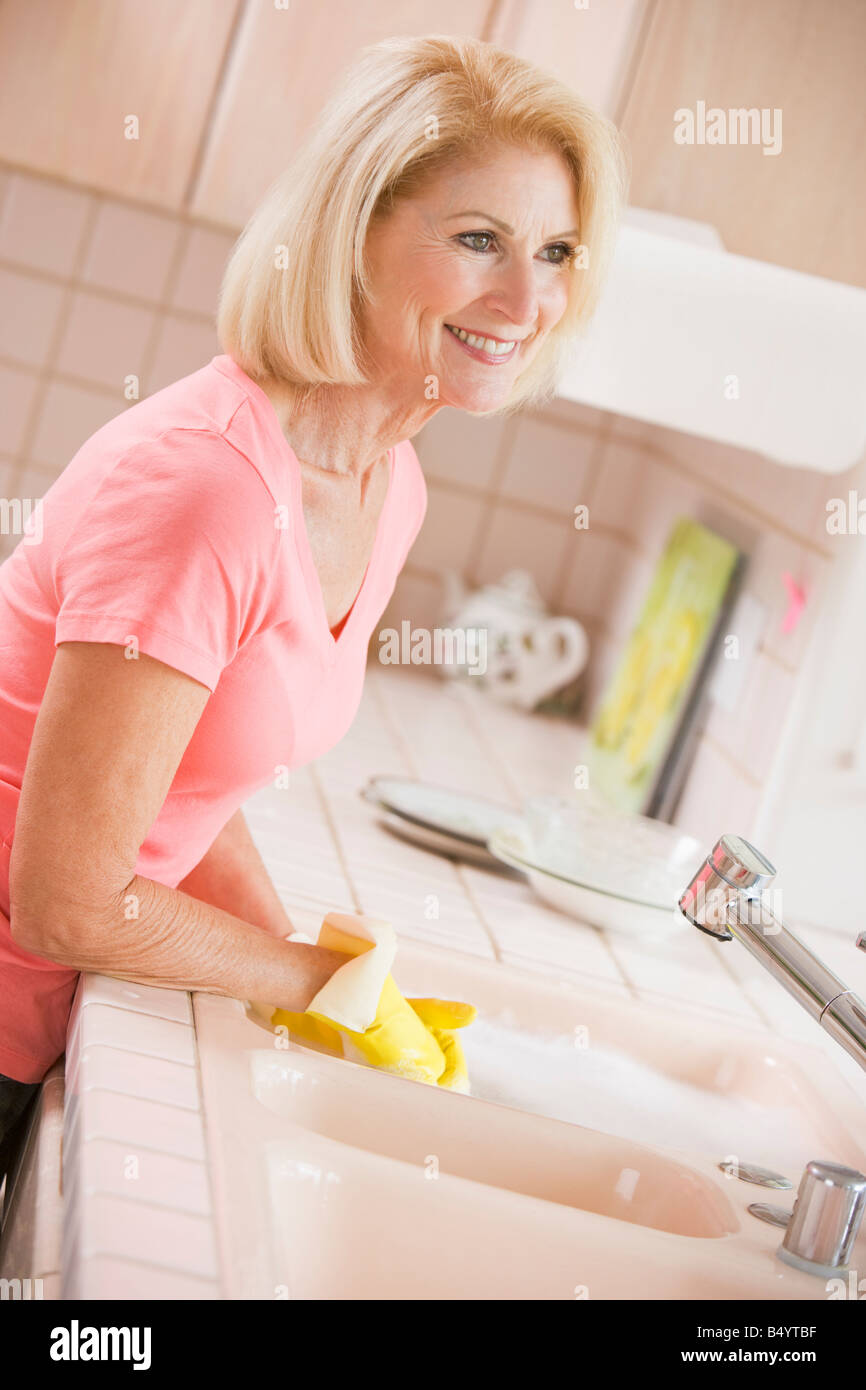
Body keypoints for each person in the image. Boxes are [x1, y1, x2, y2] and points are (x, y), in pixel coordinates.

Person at [0, 33, 627, 1193]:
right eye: (477, 240)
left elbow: (178, 777)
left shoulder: (383, 485)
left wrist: (325, 976)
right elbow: (67, 894)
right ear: (353, 232)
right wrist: (299, 979)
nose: (527, 300)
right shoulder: (206, 487)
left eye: (555, 250)